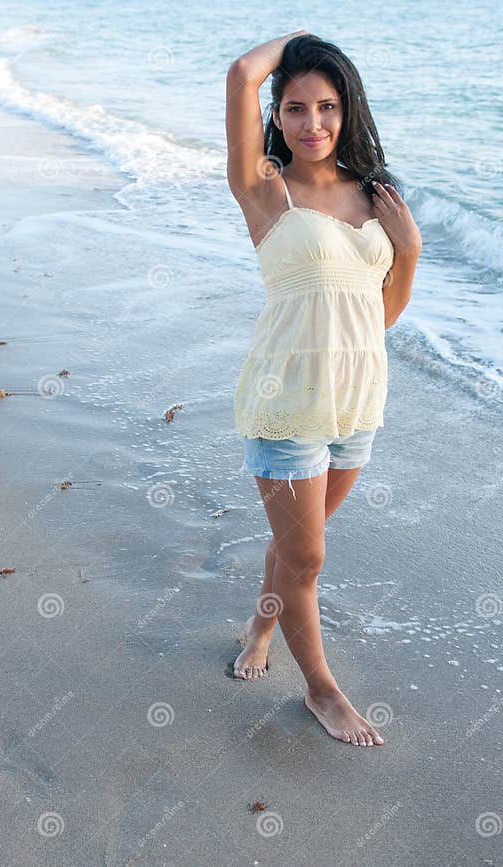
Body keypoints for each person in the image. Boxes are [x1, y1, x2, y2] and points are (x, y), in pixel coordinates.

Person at [226, 32, 422, 746]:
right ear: (275, 117)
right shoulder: (263, 188)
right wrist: (302, 44)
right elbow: (242, 72)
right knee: (309, 555)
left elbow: (381, 316)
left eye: (329, 106)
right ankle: (321, 689)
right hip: (286, 401)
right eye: (297, 108)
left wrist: (411, 251)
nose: (314, 123)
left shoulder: (374, 197)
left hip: (357, 398)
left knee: (299, 546)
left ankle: (263, 620)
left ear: (348, 109)